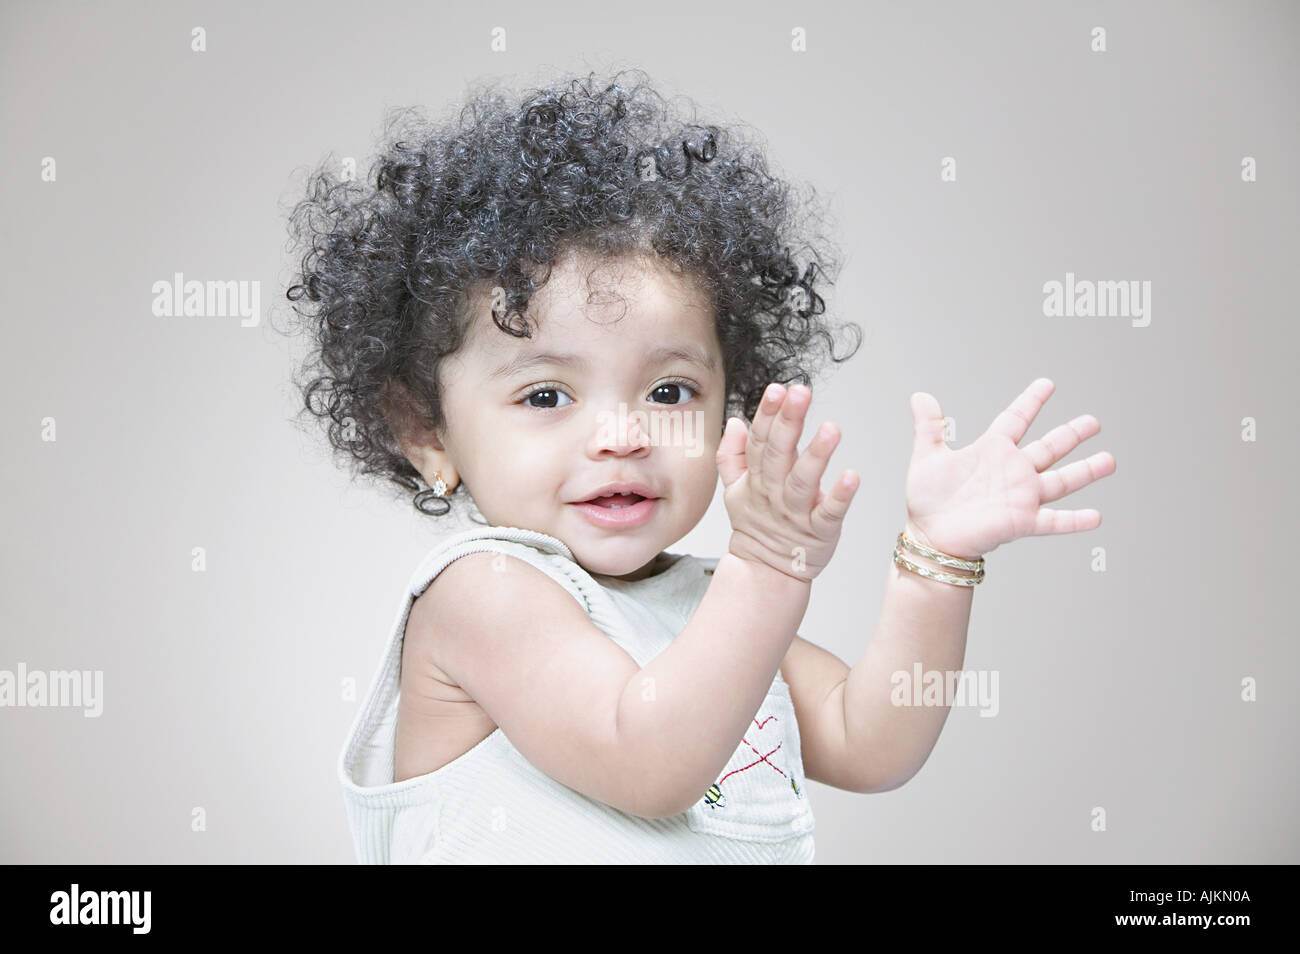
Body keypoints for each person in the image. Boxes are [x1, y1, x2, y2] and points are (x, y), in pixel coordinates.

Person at [282, 68, 1115, 864]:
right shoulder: (482, 594)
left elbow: (874, 742)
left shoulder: (711, 608)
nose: (622, 436)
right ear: (427, 430)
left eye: (670, 390)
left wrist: (939, 558)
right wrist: (770, 567)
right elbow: (648, 762)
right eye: (545, 397)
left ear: (729, 403)